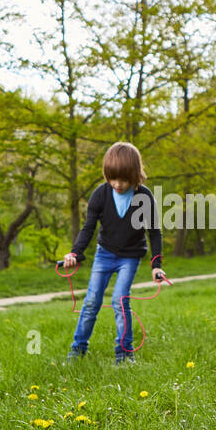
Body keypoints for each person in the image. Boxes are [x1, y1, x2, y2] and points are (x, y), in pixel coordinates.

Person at [61, 142, 168, 364]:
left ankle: (124, 353)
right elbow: (88, 228)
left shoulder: (145, 198)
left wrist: (156, 264)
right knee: (91, 301)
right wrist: (75, 253)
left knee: (120, 301)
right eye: (112, 178)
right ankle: (77, 349)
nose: (117, 184)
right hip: (104, 254)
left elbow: (155, 232)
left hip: (130, 257)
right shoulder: (100, 195)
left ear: (135, 175)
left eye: (123, 180)